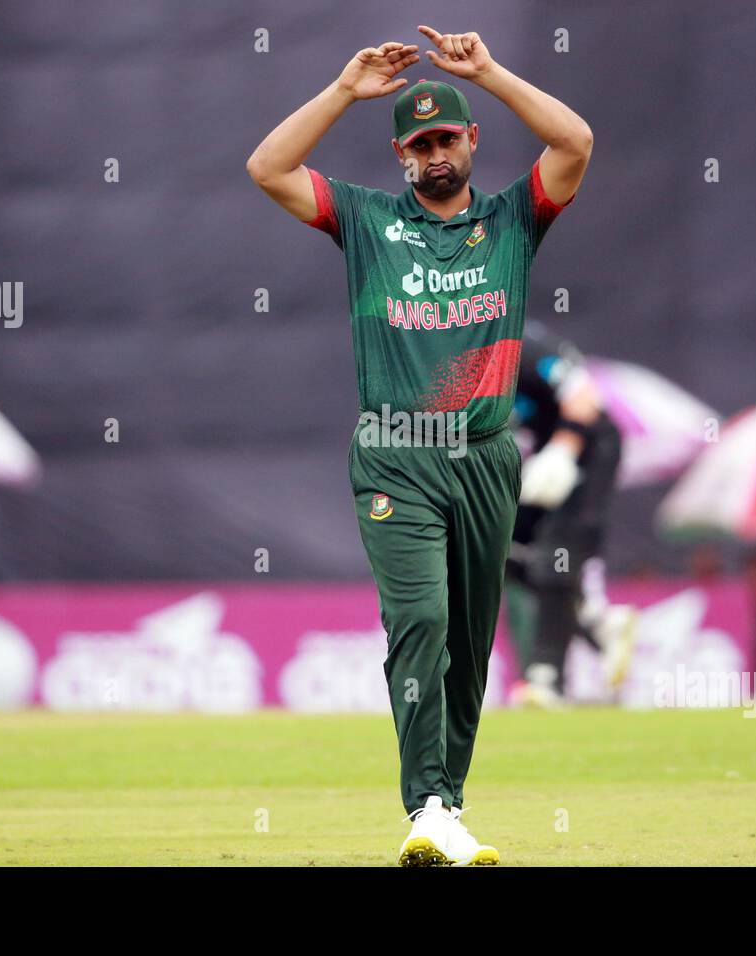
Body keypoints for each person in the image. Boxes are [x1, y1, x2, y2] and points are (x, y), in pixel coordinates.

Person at [247, 25, 591, 865]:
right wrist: (342, 90)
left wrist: (492, 73)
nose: (434, 153)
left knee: (471, 647)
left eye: (447, 138)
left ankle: (449, 806)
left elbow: (575, 141)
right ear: (401, 155)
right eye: (418, 144)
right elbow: (267, 168)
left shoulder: (512, 220)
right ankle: (426, 804)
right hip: (397, 454)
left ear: (471, 141)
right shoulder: (366, 221)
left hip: (485, 456)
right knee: (422, 621)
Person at [504, 321, 634, 707]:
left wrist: (563, 450)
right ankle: (596, 621)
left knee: (555, 557)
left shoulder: (523, 344)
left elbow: (584, 397)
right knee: (500, 550)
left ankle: (547, 680)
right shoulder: (456, 359)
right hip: (544, 451)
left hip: (587, 447)